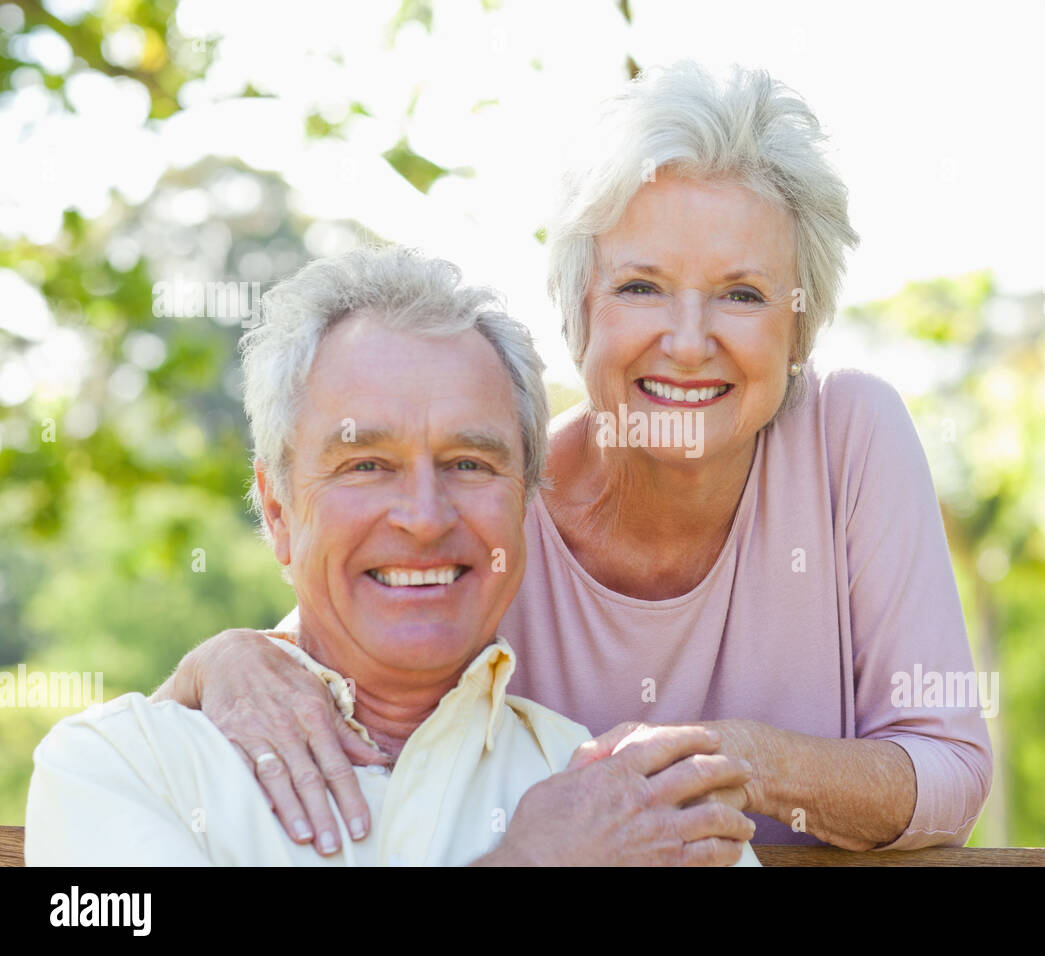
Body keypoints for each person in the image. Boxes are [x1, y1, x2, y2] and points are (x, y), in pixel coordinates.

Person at [153, 61, 993, 854]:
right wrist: (216, 661)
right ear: (578, 312)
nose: (690, 342)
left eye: (742, 294)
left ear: (799, 327)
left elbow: (949, 770)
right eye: (641, 287)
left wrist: (733, 760)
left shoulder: (849, 437)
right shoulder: (492, 498)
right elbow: (317, 665)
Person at [26, 249, 759, 866]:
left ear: (525, 504)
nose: (423, 517)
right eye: (365, 464)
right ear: (277, 509)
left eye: (470, 463)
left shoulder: (638, 803)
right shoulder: (124, 768)